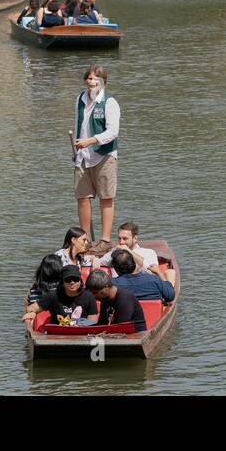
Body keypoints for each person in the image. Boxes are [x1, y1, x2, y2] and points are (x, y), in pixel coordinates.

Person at [72, 65, 120, 244]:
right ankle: (85, 240)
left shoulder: (109, 102)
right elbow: (78, 124)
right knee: (82, 197)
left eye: (95, 79)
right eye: (89, 78)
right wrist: (77, 148)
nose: (91, 82)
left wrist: (91, 141)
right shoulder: (80, 99)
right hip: (83, 156)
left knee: (106, 197)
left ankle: (105, 240)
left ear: (103, 82)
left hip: (104, 156)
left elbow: (113, 132)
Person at [98, 221, 175, 284]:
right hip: (120, 288)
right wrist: (93, 259)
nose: (121, 242)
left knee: (171, 272)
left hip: (142, 287)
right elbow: (101, 262)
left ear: (135, 238)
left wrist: (129, 252)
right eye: (119, 238)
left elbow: (151, 271)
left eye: (125, 239)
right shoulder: (115, 251)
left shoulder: (148, 253)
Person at [21, 265, 98, 327]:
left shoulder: (89, 296)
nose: (72, 282)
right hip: (56, 333)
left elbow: (92, 320)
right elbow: (31, 308)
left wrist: (81, 325)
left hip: (80, 333)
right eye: (68, 280)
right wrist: (32, 313)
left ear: (80, 281)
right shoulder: (54, 295)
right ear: (63, 282)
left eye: (75, 279)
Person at [106, 249, 176, 302]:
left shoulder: (113, 285)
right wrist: (159, 273)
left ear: (116, 270)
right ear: (133, 263)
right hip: (153, 315)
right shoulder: (153, 280)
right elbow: (170, 295)